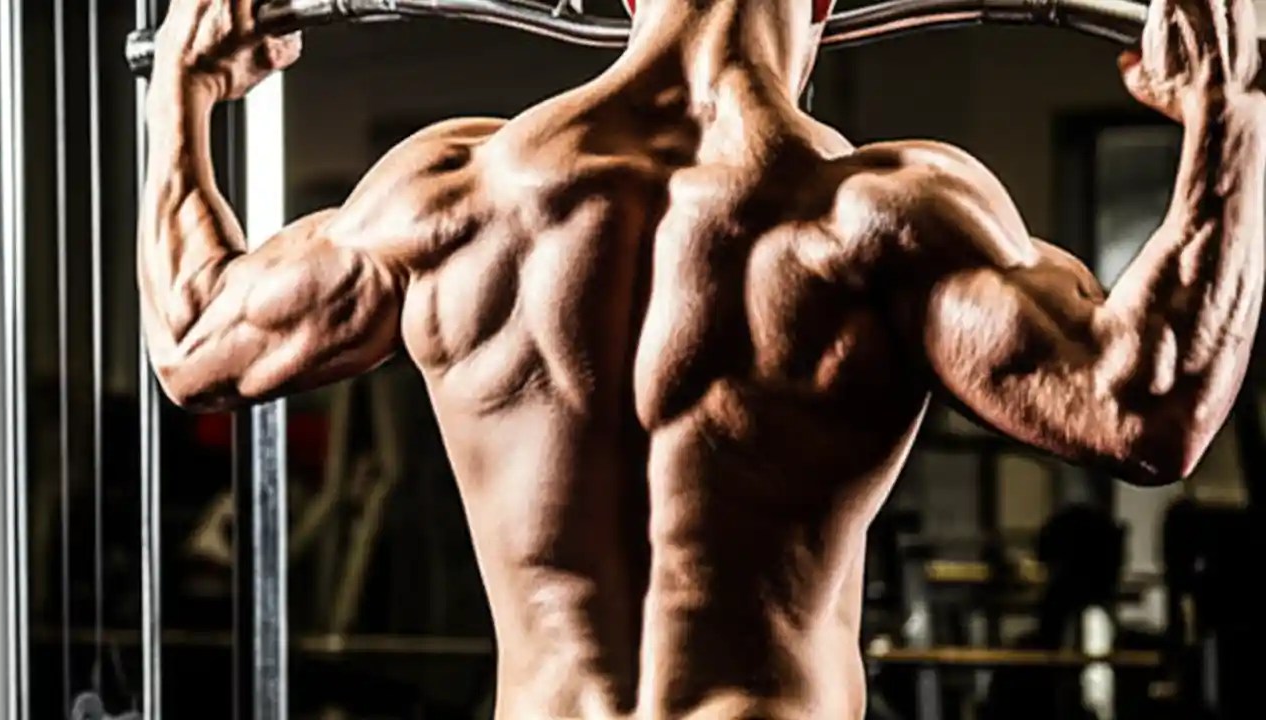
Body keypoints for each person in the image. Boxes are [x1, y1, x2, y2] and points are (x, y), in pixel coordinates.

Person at [138, 0, 1266, 717]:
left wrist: (181, 93)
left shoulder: (455, 197)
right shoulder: (880, 219)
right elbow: (1144, 407)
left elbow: (193, 342)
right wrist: (1230, 117)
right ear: (825, 5)